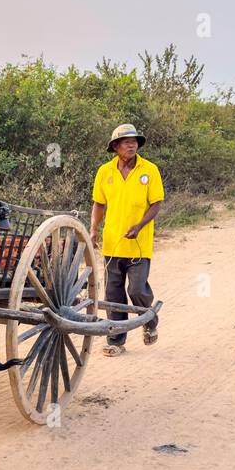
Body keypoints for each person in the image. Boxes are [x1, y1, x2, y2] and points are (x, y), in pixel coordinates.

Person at [91, 123, 163, 357]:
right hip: (112, 242)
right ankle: (116, 339)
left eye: (134, 141)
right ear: (115, 146)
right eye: (126, 141)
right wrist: (93, 229)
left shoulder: (149, 169)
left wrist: (140, 225)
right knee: (113, 294)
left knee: (136, 289)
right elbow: (99, 204)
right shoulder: (105, 172)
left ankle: (149, 319)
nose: (132, 144)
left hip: (139, 243)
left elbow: (156, 203)